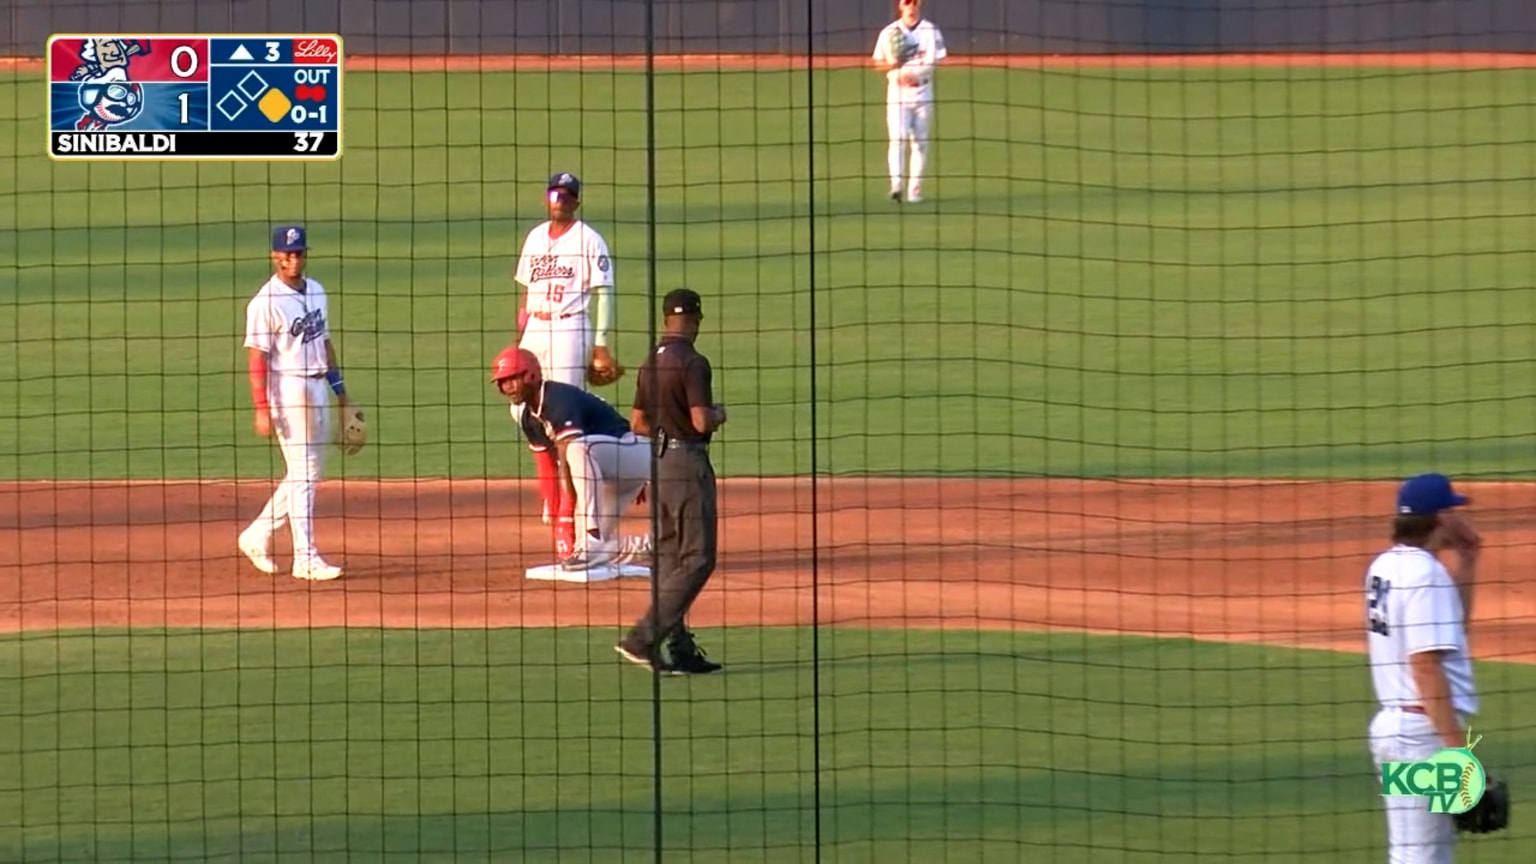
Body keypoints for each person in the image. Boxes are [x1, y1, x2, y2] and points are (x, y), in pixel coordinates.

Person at [1365, 472, 1484, 864]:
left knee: (1429, 852)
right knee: (1419, 856)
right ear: (1439, 518)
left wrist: (1468, 557)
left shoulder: (1388, 565)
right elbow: (1426, 667)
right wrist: (1458, 753)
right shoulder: (1424, 575)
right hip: (1422, 737)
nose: (1461, 516)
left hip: (1404, 730)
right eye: (1453, 509)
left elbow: (1451, 634)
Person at [615, 288, 726, 675]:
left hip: (659, 465)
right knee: (698, 557)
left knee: (668, 556)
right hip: (687, 463)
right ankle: (643, 637)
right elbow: (700, 421)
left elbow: (638, 423)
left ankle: (678, 648)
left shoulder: (651, 362)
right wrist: (719, 414)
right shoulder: (694, 362)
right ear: (695, 319)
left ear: (665, 320)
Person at [512, 171, 623, 531]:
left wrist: (601, 344)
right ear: (547, 198)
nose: (559, 201)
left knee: (564, 414)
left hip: (569, 324)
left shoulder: (589, 239)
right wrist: (521, 336)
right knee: (520, 408)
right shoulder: (534, 238)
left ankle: (569, 502)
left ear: (576, 201)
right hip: (536, 327)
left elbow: (605, 291)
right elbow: (527, 291)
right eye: (554, 194)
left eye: (566, 195)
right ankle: (553, 493)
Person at [237, 225, 348, 581]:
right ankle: (305, 558)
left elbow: (325, 344)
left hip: (317, 387)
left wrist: (342, 393)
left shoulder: (316, 291)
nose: (294, 258)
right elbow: (256, 359)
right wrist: (260, 407)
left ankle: (257, 535)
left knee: (308, 473)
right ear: (275, 256)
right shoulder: (264, 303)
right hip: (287, 390)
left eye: (299, 252)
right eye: (287, 253)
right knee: (304, 472)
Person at [489, 346, 652, 570]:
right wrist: (560, 515)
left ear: (530, 375)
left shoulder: (557, 398)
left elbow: (569, 450)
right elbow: (550, 466)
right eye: (501, 382)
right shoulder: (529, 419)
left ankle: (592, 539)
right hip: (605, 471)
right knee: (586, 555)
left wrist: (566, 515)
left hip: (633, 453)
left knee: (576, 448)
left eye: (511, 379)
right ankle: (650, 548)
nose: (505, 387)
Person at [871, 0, 947, 203]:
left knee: (920, 143)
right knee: (897, 139)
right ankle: (896, 185)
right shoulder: (888, 32)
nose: (911, 6)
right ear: (900, 5)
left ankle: (915, 188)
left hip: (923, 92)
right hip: (898, 94)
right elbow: (877, 63)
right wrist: (891, 65)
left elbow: (937, 60)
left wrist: (917, 73)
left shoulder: (930, 31)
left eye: (914, 2)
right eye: (907, 2)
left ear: (919, 4)